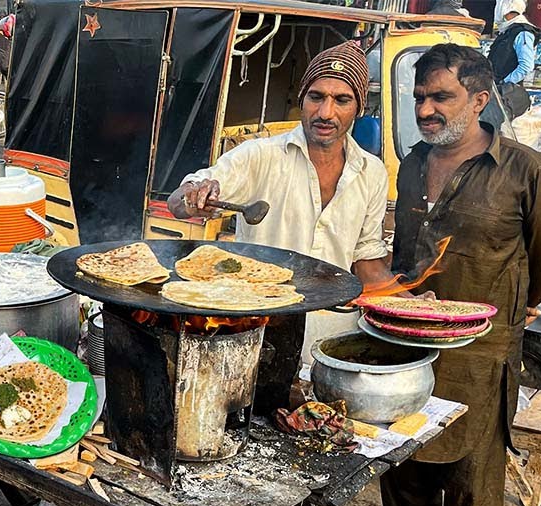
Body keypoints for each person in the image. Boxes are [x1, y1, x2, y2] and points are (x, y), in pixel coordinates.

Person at [364, 44, 541, 506]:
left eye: (440, 97)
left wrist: (520, 307)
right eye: (420, 97)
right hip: (409, 330)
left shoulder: (526, 170)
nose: (426, 108)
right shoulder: (412, 161)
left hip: (481, 342)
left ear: (479, 99)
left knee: (474, 459)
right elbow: (403, 249)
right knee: (403, 446)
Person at [167, 42, 399, 349]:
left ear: (359, 107)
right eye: (316, 97)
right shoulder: (260, 156)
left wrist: (411, 304)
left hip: (333, 336)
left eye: (341, 100)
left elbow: (366, 261)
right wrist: (193, 196)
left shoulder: (372, 172)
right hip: (259, 330)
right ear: (302, 99)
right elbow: (176, 203)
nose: (325, 113)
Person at [489, 0, 537, 117]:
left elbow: (526, 66)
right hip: (496, 89)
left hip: (508, 94)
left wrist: (505, 83)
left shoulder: (523, 33)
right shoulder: (507, 31)